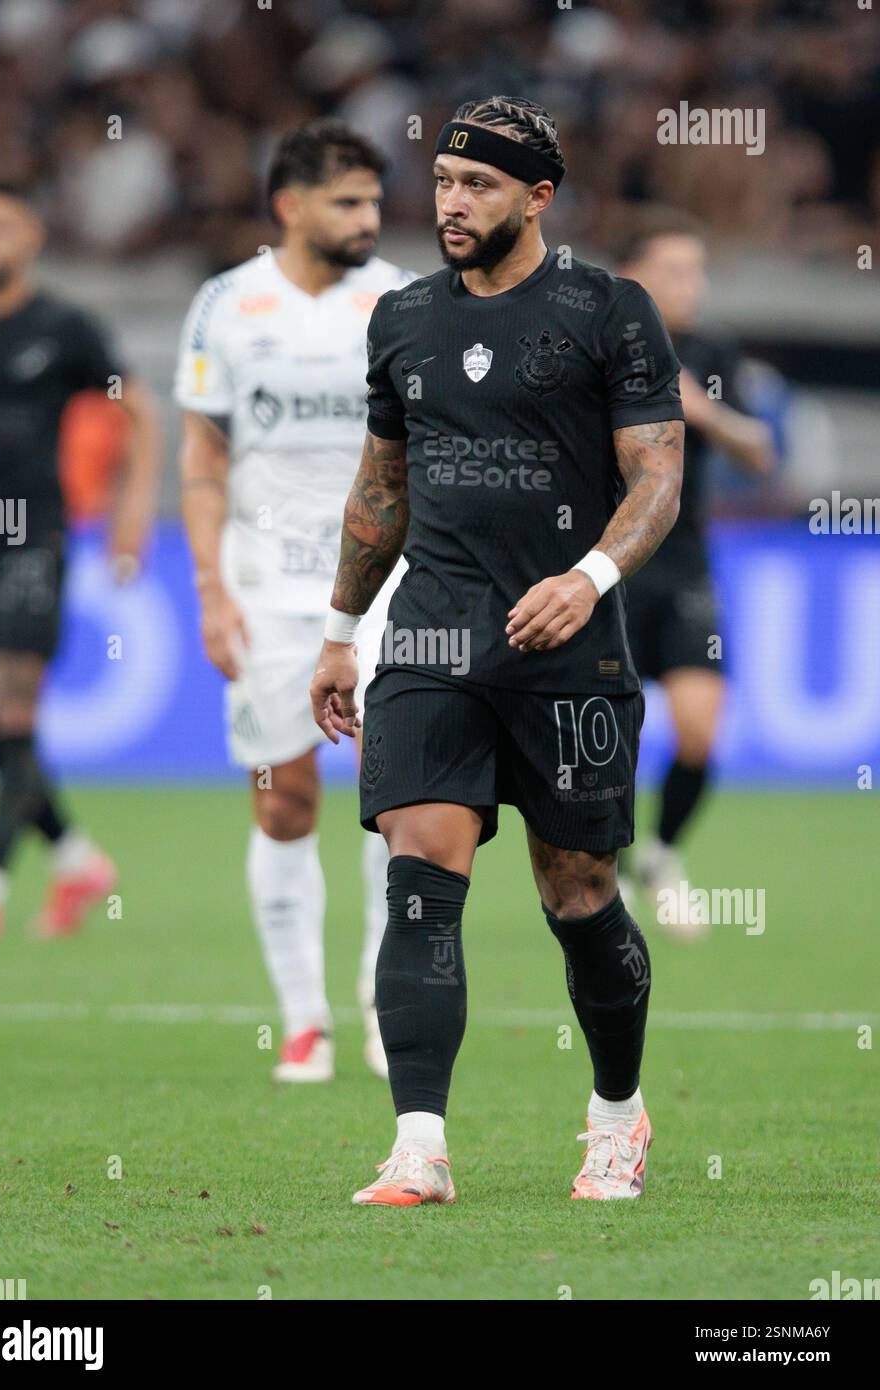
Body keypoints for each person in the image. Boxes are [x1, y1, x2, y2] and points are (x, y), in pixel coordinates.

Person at [311, 96, 684, 1205]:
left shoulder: (608, 309)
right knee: (419, 878)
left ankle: (616, 1113)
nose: (452, 203)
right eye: (441, 182)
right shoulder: (403, 318)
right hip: (430, 634)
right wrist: (339, 631)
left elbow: (655, 473)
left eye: (477, 184)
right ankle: (418, 1146)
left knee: (577, 893)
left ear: (537, 197)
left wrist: (589, 577)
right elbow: (384, 482)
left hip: (568, 648)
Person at [174, 121, 414, 1082]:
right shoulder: (227, 305)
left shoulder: (398, 297)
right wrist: (209, 588)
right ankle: (301, 1014)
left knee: (395, 795)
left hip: (389, 579)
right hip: (265, 583)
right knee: (284, 803)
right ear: (291, 205)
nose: (369, 218)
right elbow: (202, 455)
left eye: (372, 201)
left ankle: (378, 1003)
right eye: (348, 201)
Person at [0, 182, 161, 941]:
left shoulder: (64, 328)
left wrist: (130, 514)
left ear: (32, 235)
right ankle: (77, 860)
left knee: (14, 706)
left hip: (30, 537)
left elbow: (138, 411)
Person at [615, 207, 775, 940]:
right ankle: (605, 862)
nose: (694, 284)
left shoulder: (712, 350)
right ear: (632, 276)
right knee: (603, 733)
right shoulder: (597, 347)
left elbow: (760, 452)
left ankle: (661, 855)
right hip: (606, 567)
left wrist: (704, 414)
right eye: (677, 269)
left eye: (699, 269)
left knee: (701, 729)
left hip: (683, 566)